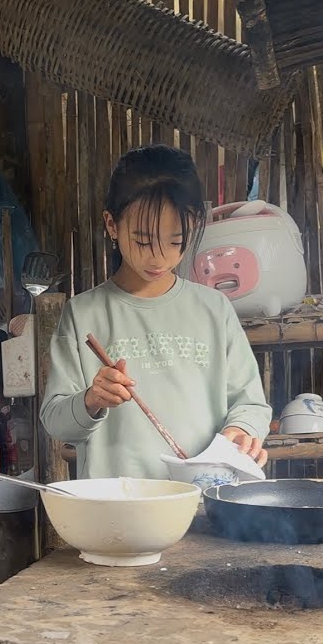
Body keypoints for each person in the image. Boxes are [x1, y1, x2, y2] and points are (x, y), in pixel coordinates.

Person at [40, 144, 272, 479]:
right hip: (120, 512)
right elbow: (57, 422)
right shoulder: (83, 314)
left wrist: (240, 430)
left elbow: (250, 403)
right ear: (111, 225)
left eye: (175, 241)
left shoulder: (213, 309)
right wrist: (91, 400)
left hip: (204, 503)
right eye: (144, 241)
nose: (159, 258)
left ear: (193, 224)